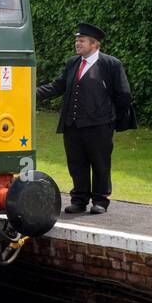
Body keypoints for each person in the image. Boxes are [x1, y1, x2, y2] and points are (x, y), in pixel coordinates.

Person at [36, 23, 135, 214]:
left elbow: (123, 95)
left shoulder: (111, 64)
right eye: (76, 40)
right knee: (76, 163)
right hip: (72, 124)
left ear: (94, 44)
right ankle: (79, 200)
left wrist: (111, 120)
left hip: (99, 125)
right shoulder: (73, 63)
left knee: (100, 164)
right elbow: (57, 86)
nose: (77, 43)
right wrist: (29, 92)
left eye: (81, 41)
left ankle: (100, 201)